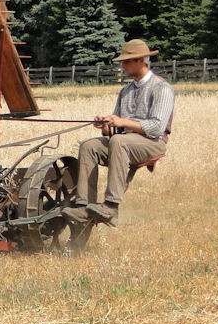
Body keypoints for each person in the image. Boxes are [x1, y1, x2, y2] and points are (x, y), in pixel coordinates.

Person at [62, 39, 174, 228]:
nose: (122, 66)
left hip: (152, 142)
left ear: (140, 60)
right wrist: (106, 125)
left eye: (126, 62)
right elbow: (115, 131)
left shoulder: (161, 88)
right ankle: (83, 205)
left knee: (119, 142)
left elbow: (156, 128)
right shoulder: (125, 91)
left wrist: (121, 122)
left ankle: (111, 206)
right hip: (125, 141)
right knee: (89, 146)